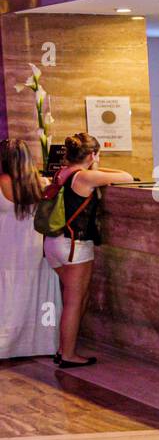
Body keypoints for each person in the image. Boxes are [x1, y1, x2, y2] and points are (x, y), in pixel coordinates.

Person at [43, 133, 134, 368]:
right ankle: (68, 355)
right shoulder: (84, 177)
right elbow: (127, 177)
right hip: (75, 245)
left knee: (73, 299)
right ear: (92, 155)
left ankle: (64, 349)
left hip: (53, 243)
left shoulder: (62, 173)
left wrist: (96, 165)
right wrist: (99, 166)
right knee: (75, 300)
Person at [0, 139, 60, 359]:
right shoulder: (41, 183)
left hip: (6, 249)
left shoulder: (1, 182)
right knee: (35, 294)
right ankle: (40, 344)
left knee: (7, 297)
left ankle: (6, 343)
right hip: (34, 249)